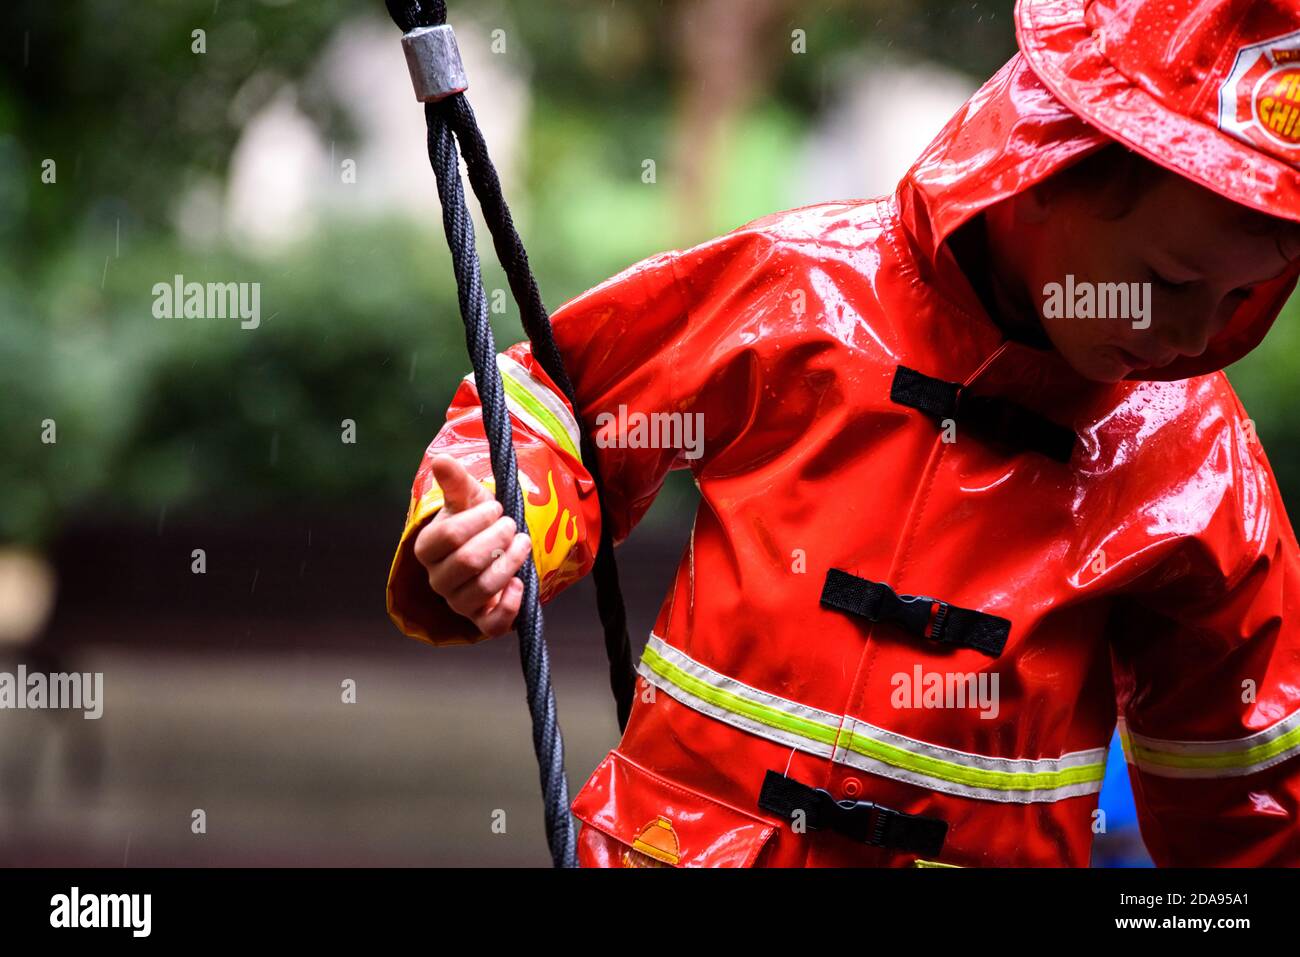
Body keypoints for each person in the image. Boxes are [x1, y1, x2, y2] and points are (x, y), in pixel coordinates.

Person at [385, 0, 1300, 866]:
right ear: (1042, 174)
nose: (1193, 338)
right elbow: (558, 406)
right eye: (1171, 282)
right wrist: (497, 532)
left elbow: (1248, 789)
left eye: (1241, 299)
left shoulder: (1198, 461)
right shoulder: (802, 294)